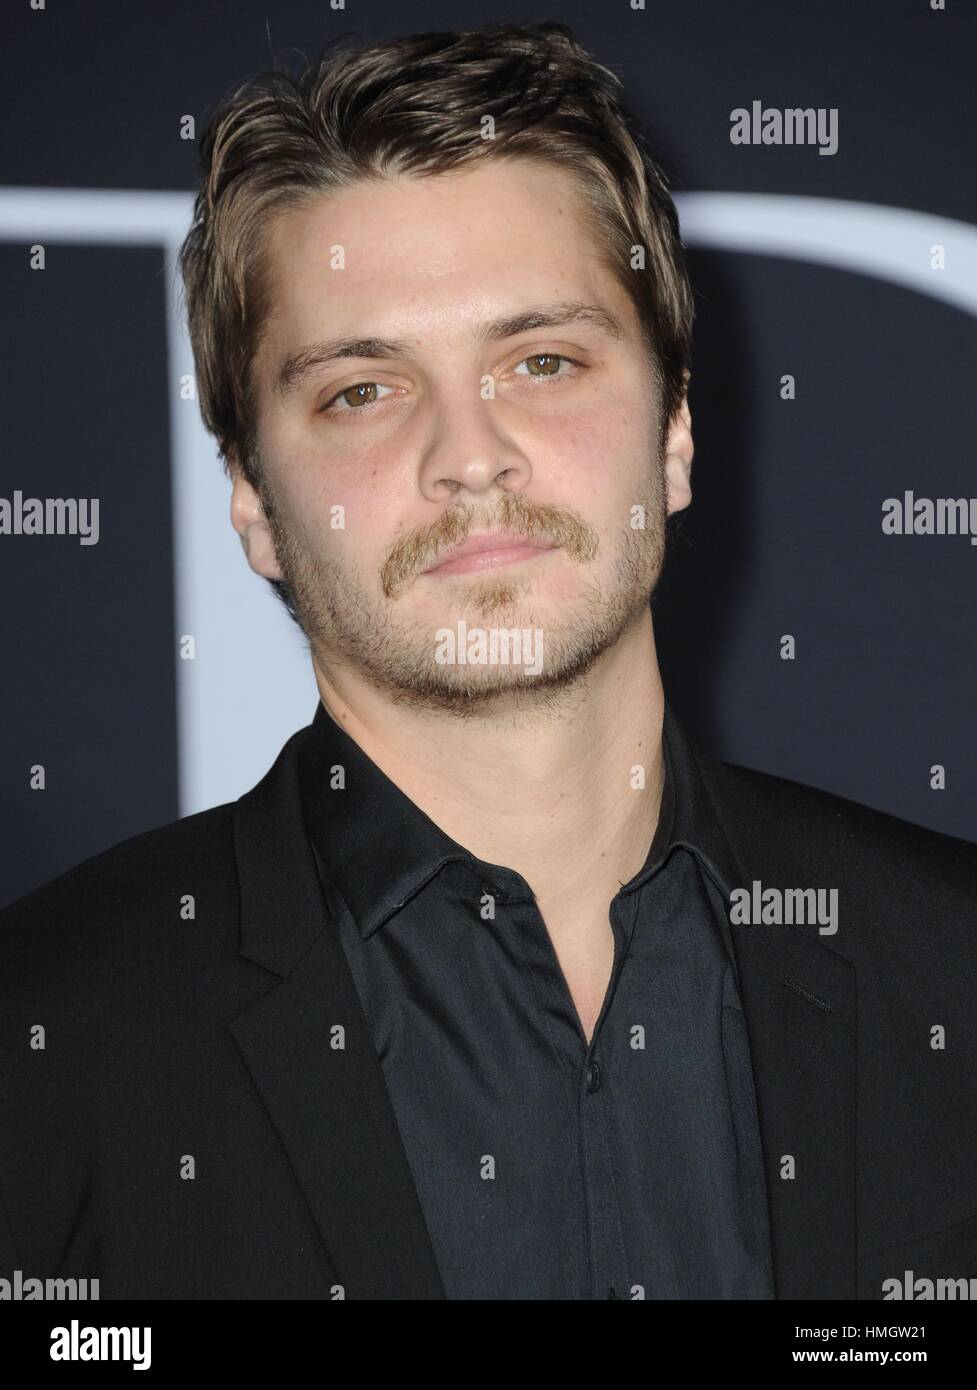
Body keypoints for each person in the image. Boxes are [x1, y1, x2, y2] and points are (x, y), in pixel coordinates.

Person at [2, 21, 976, 1302]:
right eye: (362, 387)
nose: (471, 453)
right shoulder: (50, 1042)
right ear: (248, 498)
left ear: (675, 432)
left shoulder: (947, 967)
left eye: (543, 361)